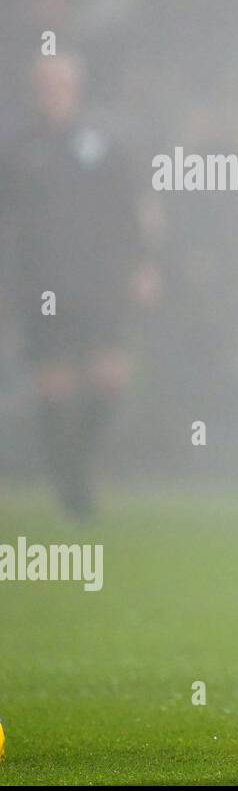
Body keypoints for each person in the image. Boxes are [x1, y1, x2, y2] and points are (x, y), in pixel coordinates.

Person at [0, 54, 159, 523]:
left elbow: (135, 209)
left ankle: (78, 465)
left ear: (78, 87)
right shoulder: (18, 147)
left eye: (63, 83)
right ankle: (68, 480)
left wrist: (144, 265)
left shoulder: (105, 143)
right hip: (41, 282)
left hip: (100, 281)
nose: (55, 92)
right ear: (35, 89)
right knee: (54, 385)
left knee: (111, 377)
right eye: (46, 84)